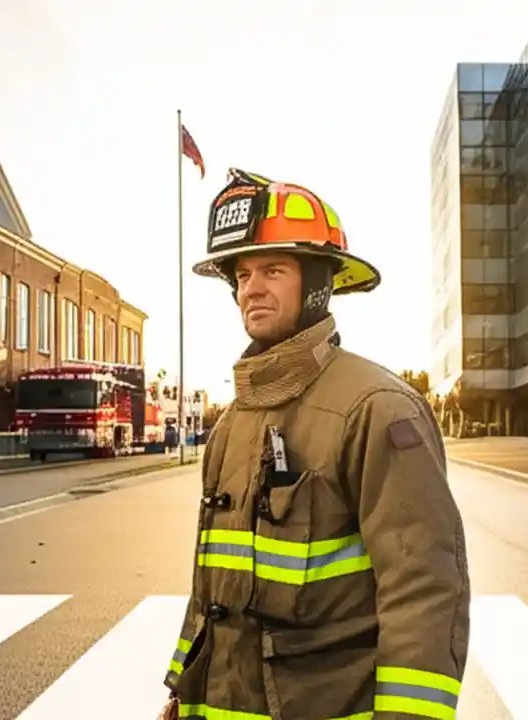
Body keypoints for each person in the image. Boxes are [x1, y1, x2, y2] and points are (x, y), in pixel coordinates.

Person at [158, 168, 470, 719]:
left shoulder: (377, 408)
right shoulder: (232, 423)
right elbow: (213, 595)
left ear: (319, 283)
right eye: (243, 274)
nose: (250, 288)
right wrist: (182, 691)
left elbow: (422, 588)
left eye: (273, 270)